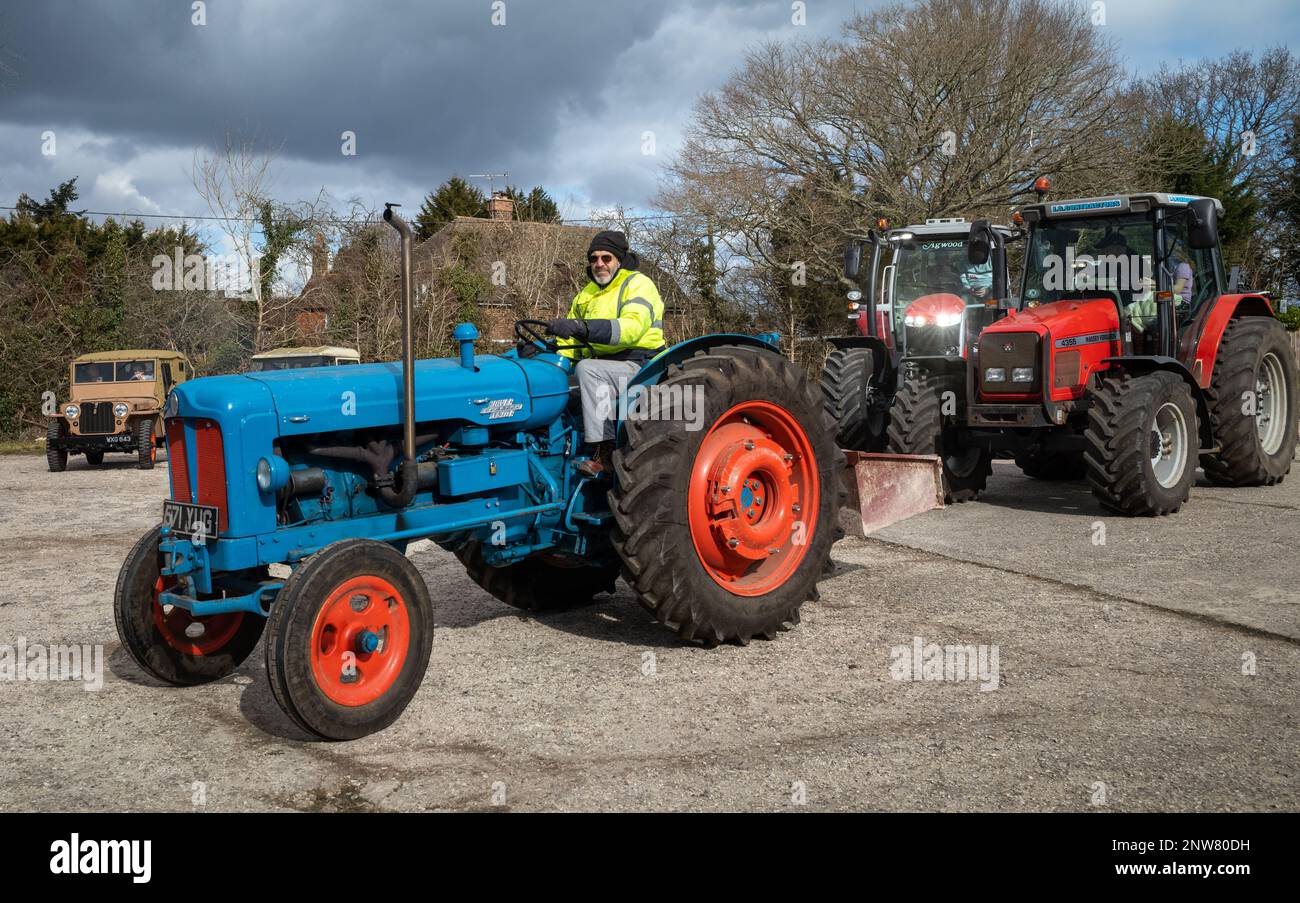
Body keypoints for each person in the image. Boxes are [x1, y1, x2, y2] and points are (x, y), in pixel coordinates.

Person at [546, 231, 666, 477]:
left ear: (619, 259)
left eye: (606, 258)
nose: (599, 264)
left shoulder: (638, 284)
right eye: (594, 258)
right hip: (605, 366)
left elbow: (631, 329)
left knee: (588, 369)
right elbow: (570, 339)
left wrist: (584, 328)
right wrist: (548, 349)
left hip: (641, 367)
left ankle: (606, 453)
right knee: (550, 379)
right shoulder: (586, 293)